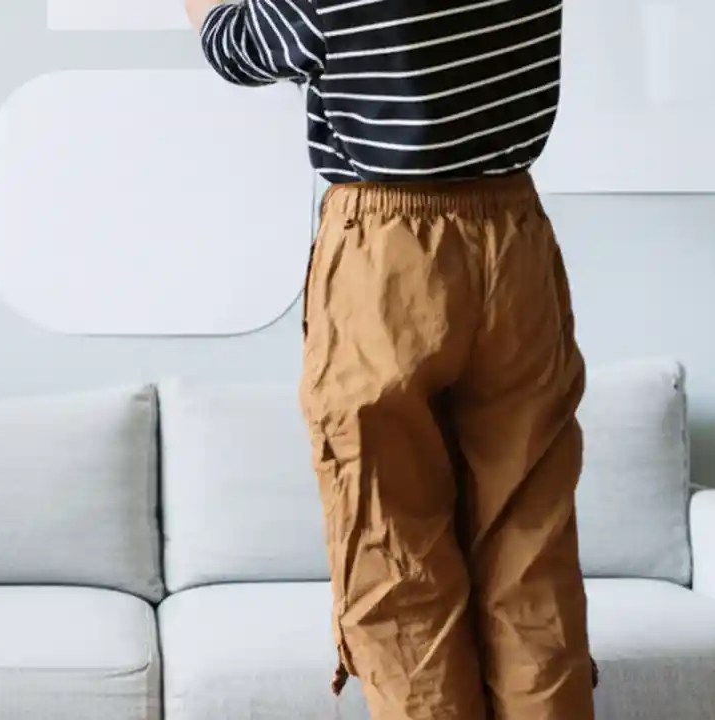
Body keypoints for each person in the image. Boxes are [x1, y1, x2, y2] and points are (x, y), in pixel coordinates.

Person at [185, 1, 597, 718]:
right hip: (516, 237)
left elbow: (235, 44)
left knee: (396, 564)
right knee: (532, 558)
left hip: (387, 254)